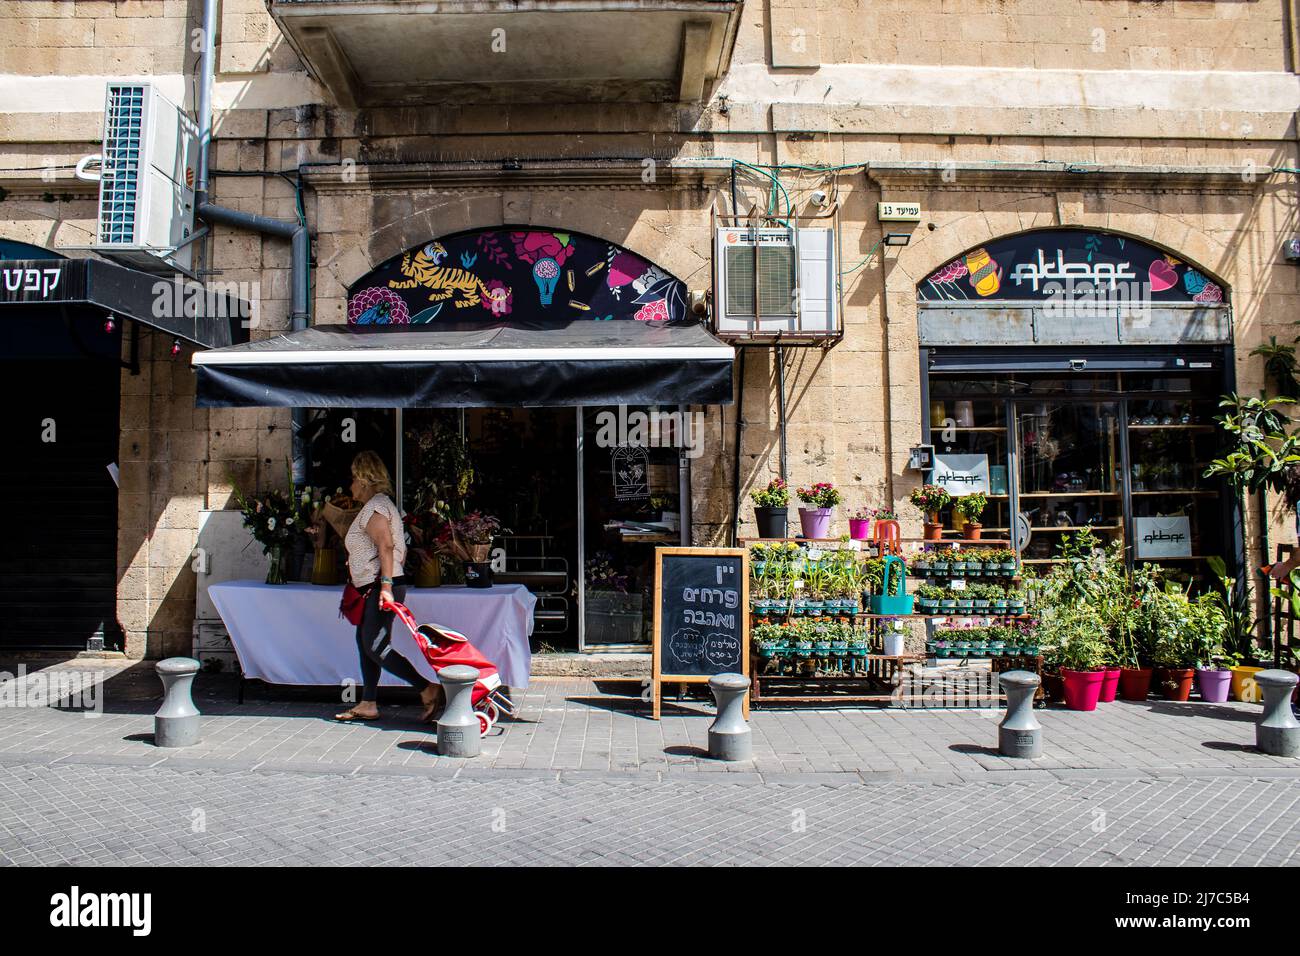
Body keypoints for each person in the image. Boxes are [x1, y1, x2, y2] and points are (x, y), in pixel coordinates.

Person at [331, 451, 442, 723]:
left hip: (380, 585)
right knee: (366, 643)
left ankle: (426, 688)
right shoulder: (374, 506)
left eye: (354, 479)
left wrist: (387, 586)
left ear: (366, 480)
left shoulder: (376, 506)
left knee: (376, 646)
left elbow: (386, 546)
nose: (351, 485)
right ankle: (369, 702)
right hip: (373, 586)